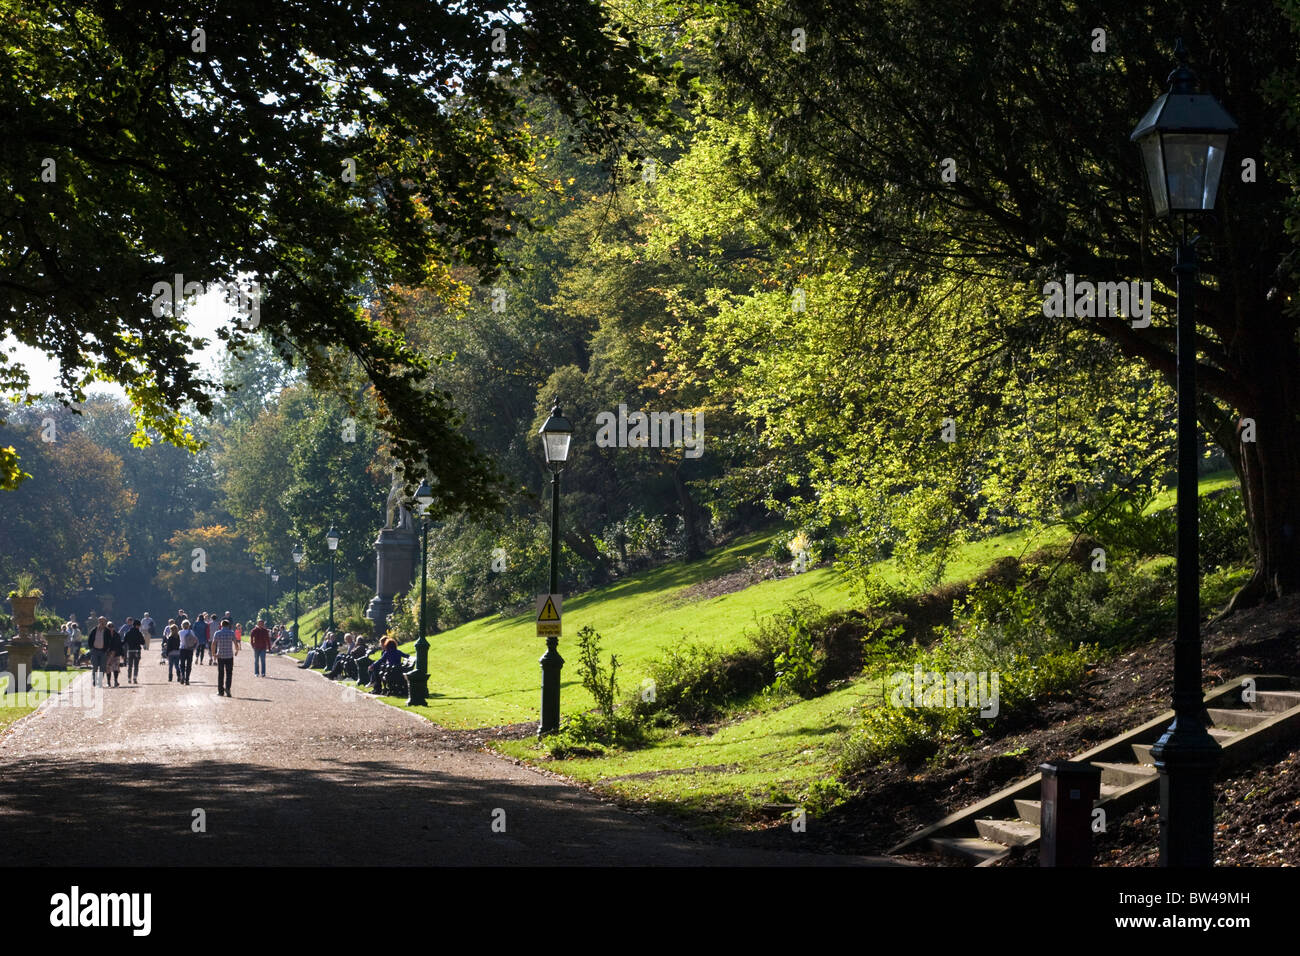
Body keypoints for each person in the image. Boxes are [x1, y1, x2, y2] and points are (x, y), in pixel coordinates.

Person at [211, 617, 238, 697]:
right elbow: (236, 643)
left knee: (221, 673)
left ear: (221, 625)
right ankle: (228, 688)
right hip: (229, 655)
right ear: (228, 625)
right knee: (229, 673)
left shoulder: (217, 633)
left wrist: (213, 653)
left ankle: (220, 691)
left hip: (221, 655)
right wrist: (236, 650)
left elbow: (213, 644)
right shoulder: (232, 633)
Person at [85, 616, 113, 687]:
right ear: (99, 622)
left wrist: (107, 649)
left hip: (103, 651)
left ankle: (99, 682)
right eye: (101, 621)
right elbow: (90, 639)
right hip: (95, 650)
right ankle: (94, 680)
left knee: (102, 667)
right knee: (95, 666)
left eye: (104, 621)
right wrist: (91, 648)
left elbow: (110, 641)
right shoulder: (94, 630)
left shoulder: (107, 631)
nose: (102, 623)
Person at [122, 617, 146, 684]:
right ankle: (135, 678)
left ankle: (129, 679)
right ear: (137, 625)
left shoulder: (128, 633)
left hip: (130, 651)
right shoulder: (139, 633)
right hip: (137, 651)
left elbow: (124, 642)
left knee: (129, 666)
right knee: (136, 665)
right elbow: (143, 642)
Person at [104, 621, 123, 687]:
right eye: (109, 626)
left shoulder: (117, 635)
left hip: (116, 654)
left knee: (116, 668)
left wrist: (122, 654)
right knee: (108, 668)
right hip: (107, 654)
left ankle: (115, 681)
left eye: (112, 626)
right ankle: (108, 682)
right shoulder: (104, 635)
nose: (111, 627)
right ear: (107, 627)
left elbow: (120, 645)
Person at [178, 619, 197, 684]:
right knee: (189, 665)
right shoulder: (191, 632)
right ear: (189, 625)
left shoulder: (180, 632)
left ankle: (182, 675)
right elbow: (195, 640)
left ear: (182, 625)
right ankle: (187, 679)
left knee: (182, 664)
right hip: (189, 649)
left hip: (182, 649)